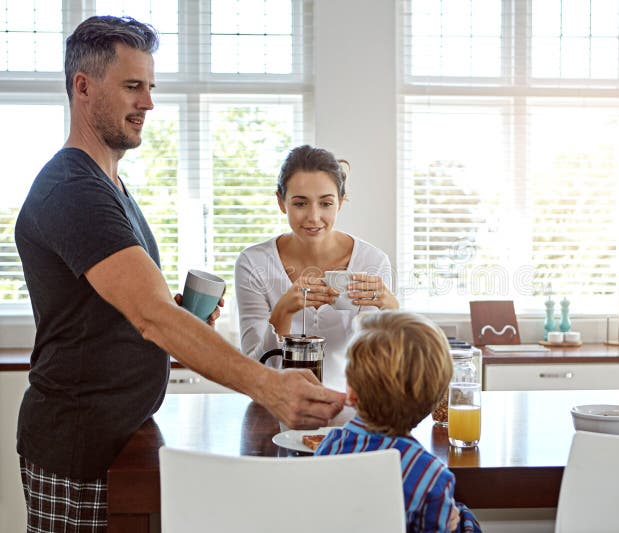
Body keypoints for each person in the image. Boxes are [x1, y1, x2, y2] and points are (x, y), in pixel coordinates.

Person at [14, 16, 343, 531]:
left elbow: (124, 310)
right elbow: (150, 317)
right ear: (83, 86)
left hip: (122, 431)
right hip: (79, 445)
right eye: (132, 87)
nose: (148, 103)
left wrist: (177, 315)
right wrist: (269, 387)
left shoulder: (111, 187)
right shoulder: (73, 189)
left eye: (150, 87)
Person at [235, 144, 399, 391]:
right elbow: (254, 371)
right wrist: (282, 313)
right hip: (275, 406)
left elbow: (379, 366)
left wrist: (392, 311)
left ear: (340, 202)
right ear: (281, 202)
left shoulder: (372, 262)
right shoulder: (253, 263)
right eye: (300, 203)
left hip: (350, 407)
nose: (313, 217)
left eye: (325, 203)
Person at [315, 311, 482, 533]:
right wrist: (459, 520)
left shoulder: (330, 447)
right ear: (435, 402)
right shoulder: (432, 477)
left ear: (351, 393)